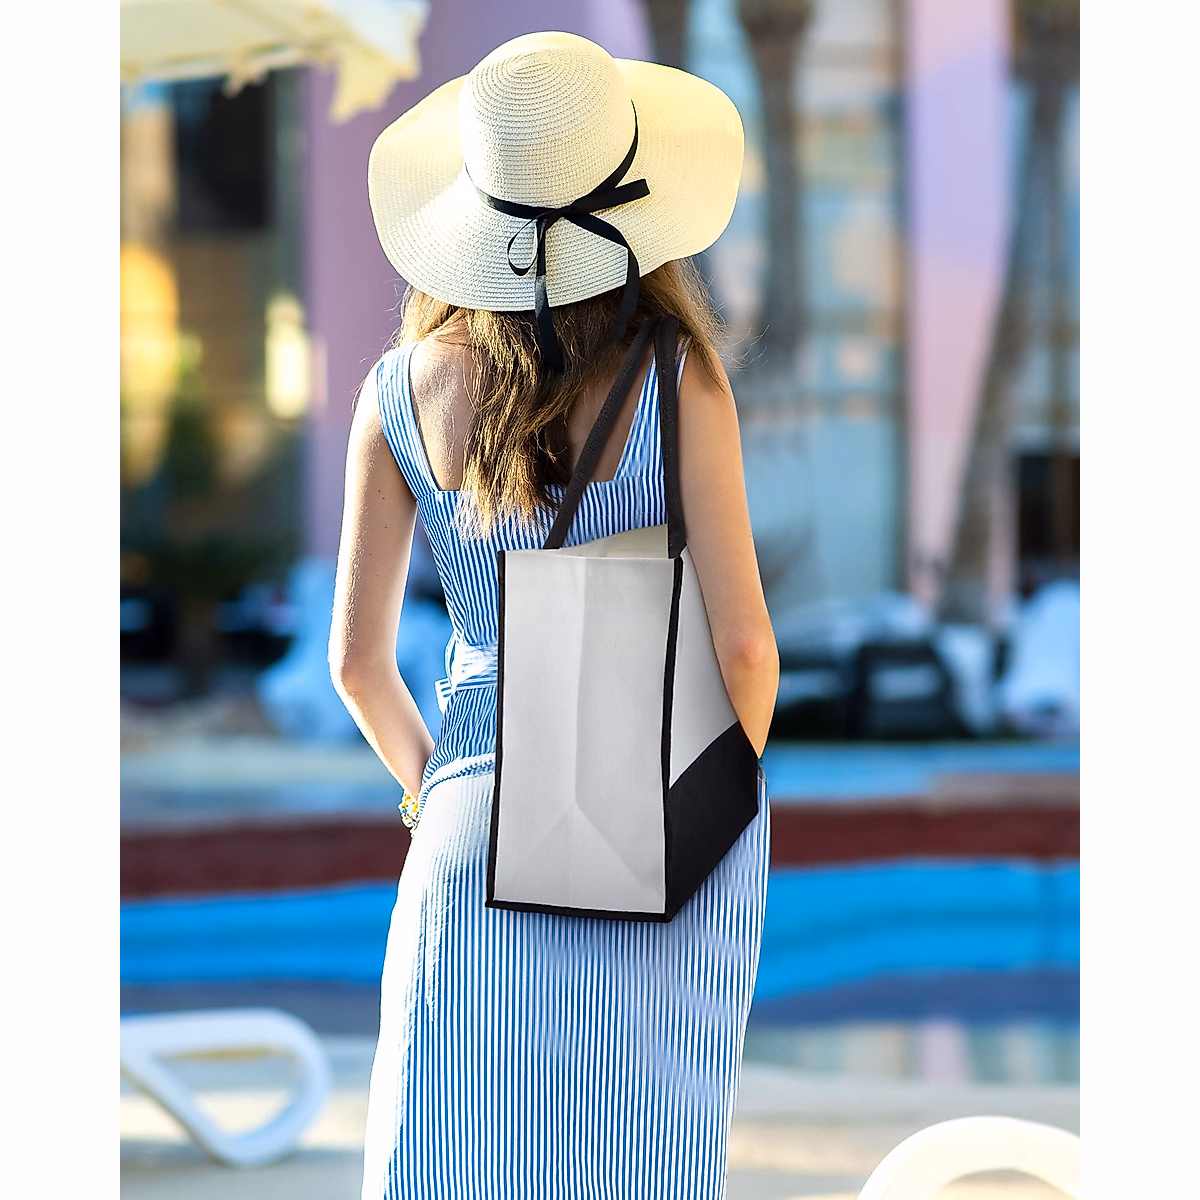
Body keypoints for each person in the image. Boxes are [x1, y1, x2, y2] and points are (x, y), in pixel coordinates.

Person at [329, 31, 779, 1200]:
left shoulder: (394, 391)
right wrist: (681, 802)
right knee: (632, 1164)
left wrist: (442, 793)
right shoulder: (677, 376)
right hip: (645, 816)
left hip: (467, 824)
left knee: (452, 1161)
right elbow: (743, 648)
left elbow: (358, 666)